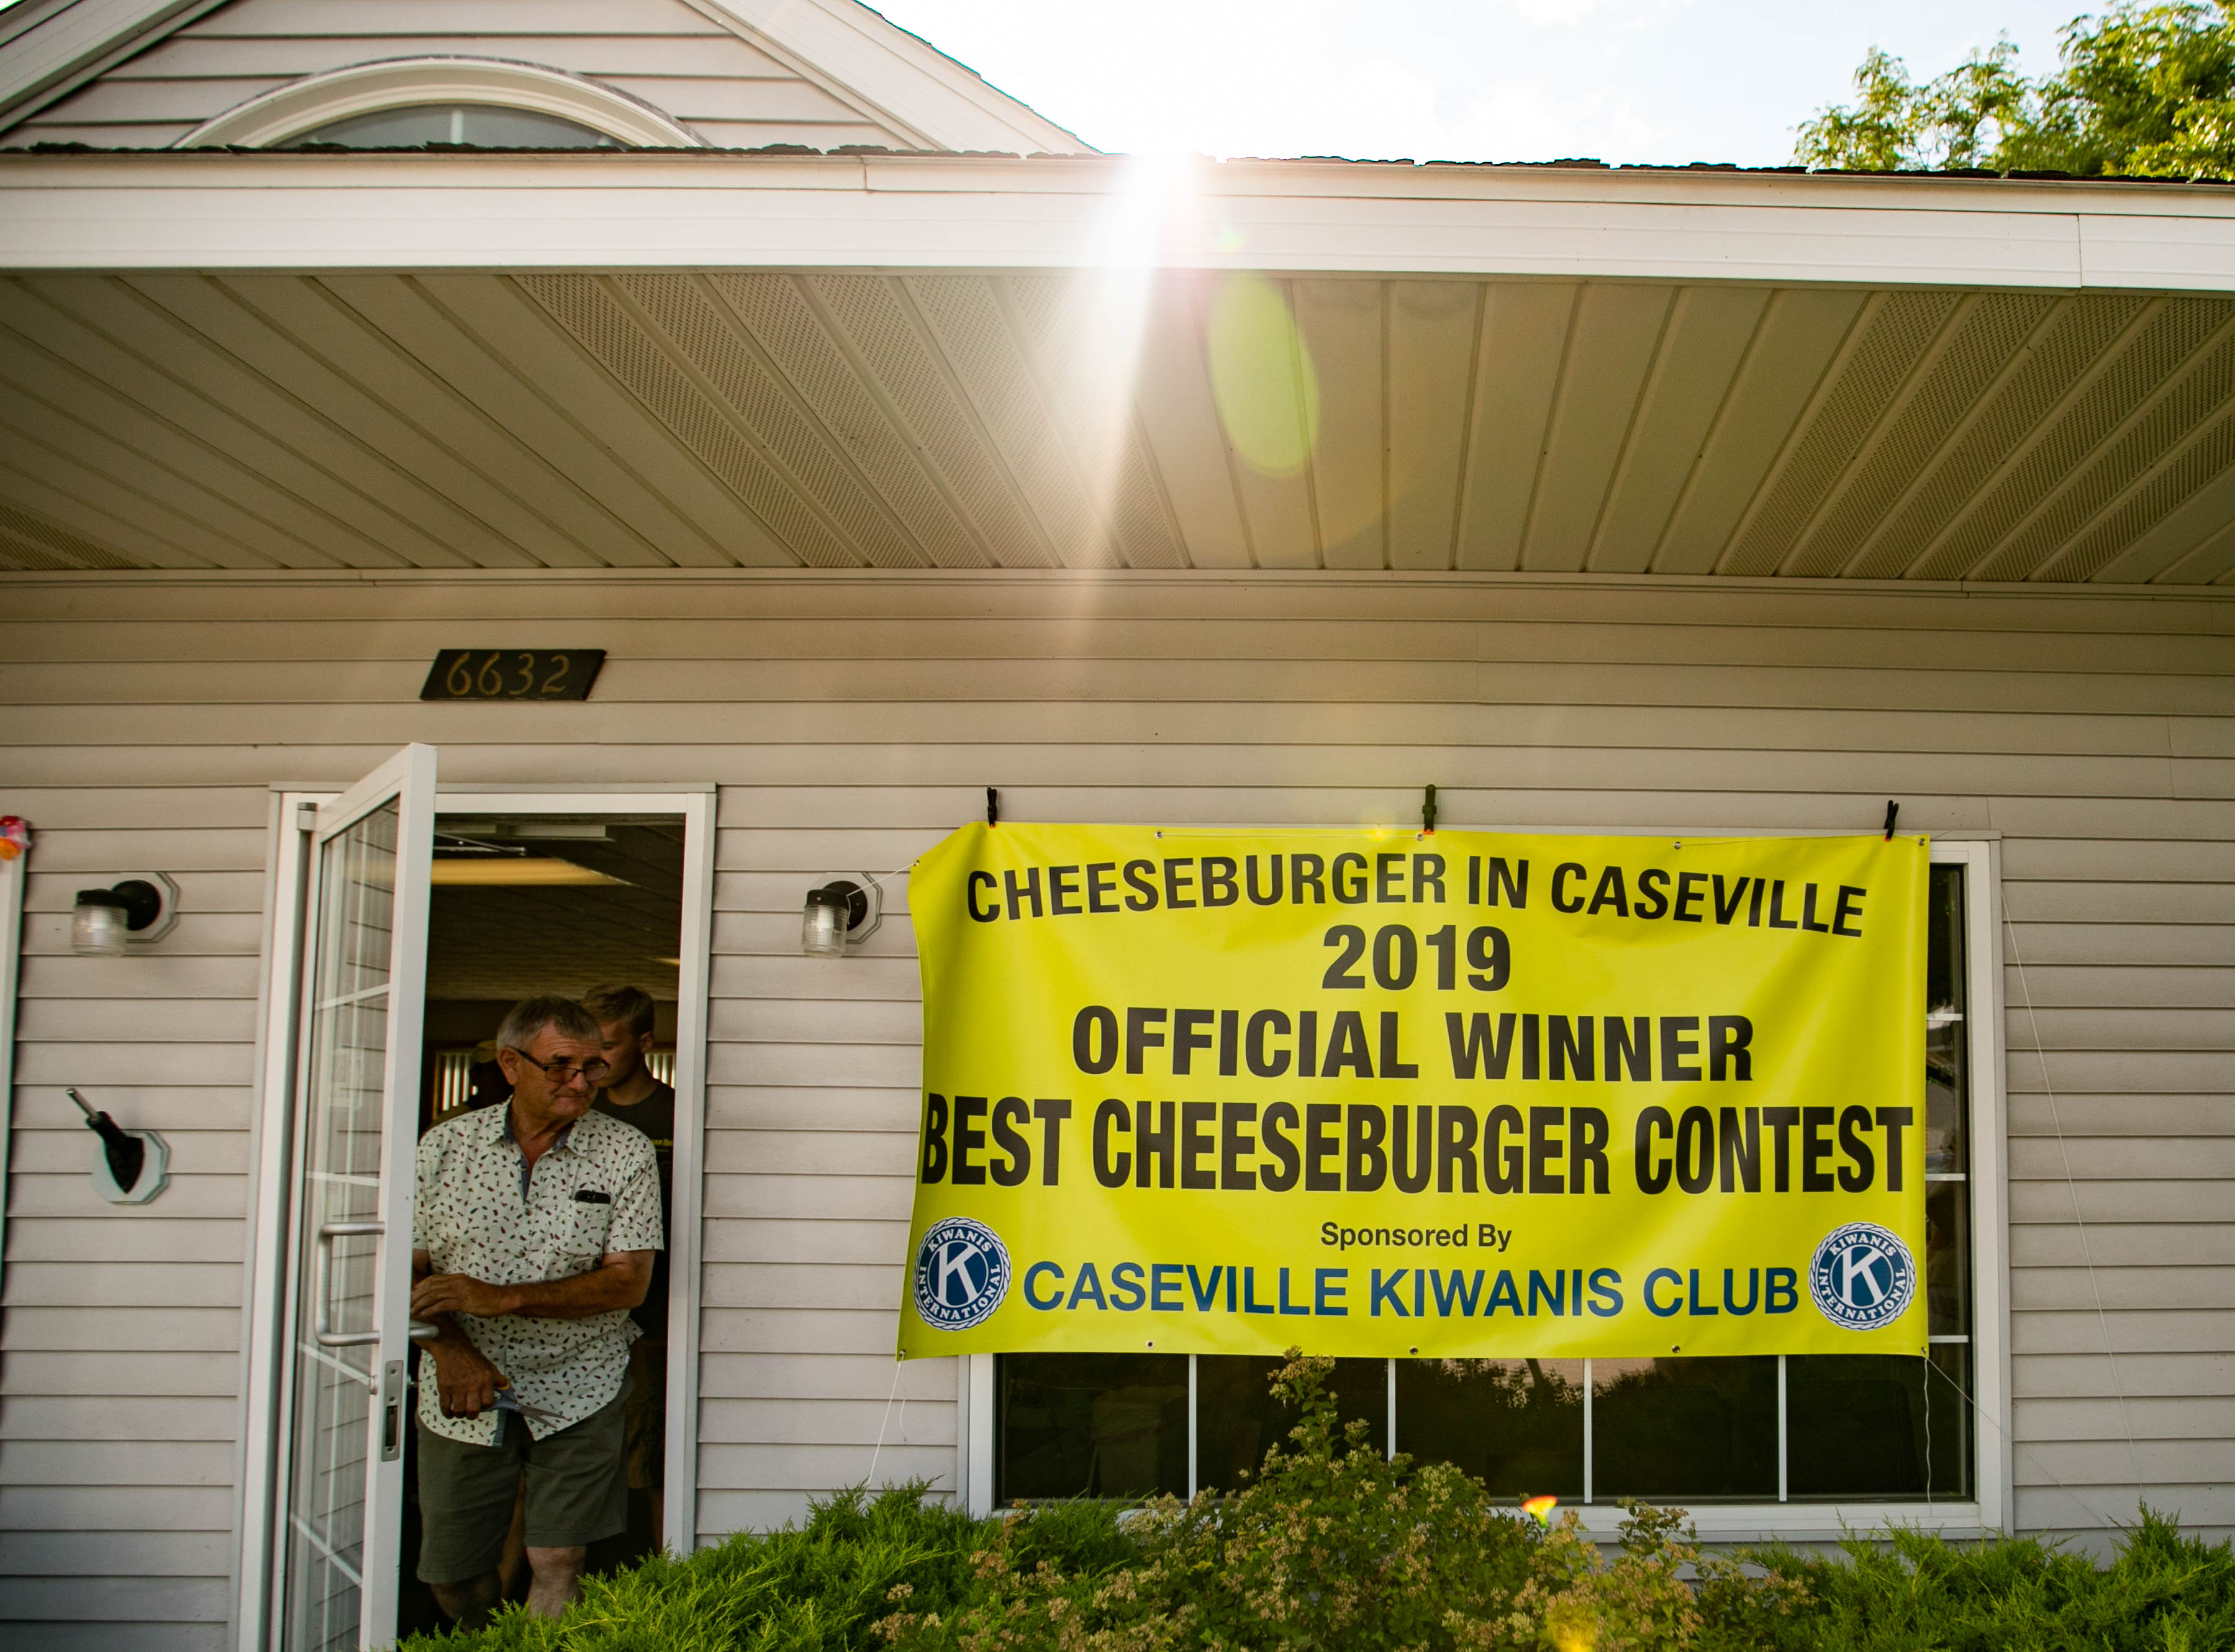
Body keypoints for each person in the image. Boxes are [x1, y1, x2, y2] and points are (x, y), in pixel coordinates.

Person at [410, 994, 662, 1627]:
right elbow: (400, 1271)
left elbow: (628, 1282)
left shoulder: (624, 1151)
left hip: (581, 1381)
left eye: (592, 1067)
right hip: (462, 1387)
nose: (580, 1082)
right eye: (560, 1066)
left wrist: (502, 1296)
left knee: (557, 1555)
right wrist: (451, 1351)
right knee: (453, 1570)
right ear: (510, 1063)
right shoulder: (444, 1148)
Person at [580, 983, 674, 1550]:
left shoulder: (674, 1114)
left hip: (658, 1313)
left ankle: (661, 1573)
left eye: (608, 1047)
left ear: (644, 1043)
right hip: (579, 1311)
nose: (594, 1062)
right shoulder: (577, 1117)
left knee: (654, 1447)